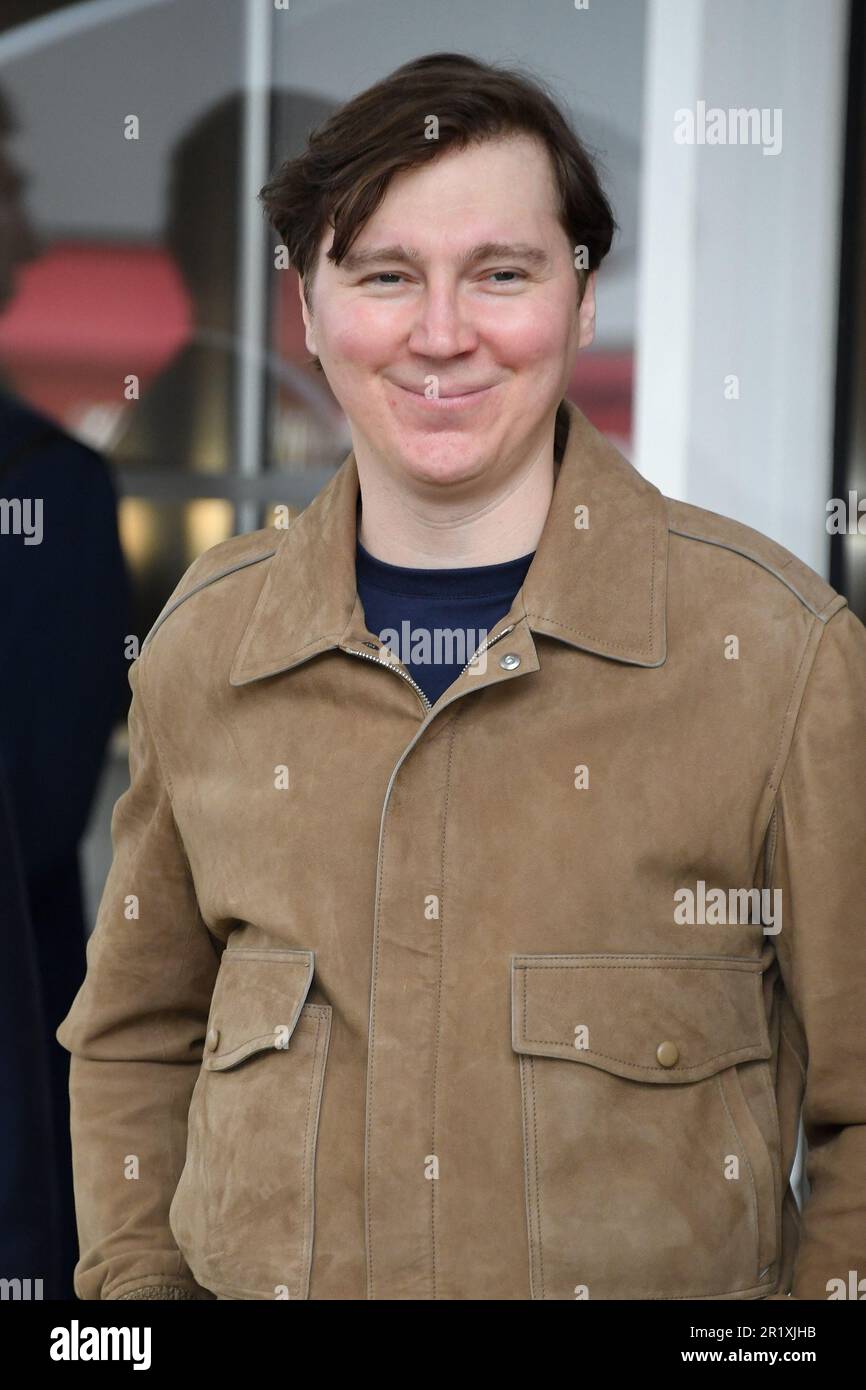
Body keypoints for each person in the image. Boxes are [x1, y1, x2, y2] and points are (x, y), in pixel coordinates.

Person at [57, 51, 866, 1302]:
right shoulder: (204, 647)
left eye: (500, 273)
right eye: (386, 276)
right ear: (313, 316)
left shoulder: (775, 653)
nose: (442, 333)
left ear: (581, 301)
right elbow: (131, 1043)